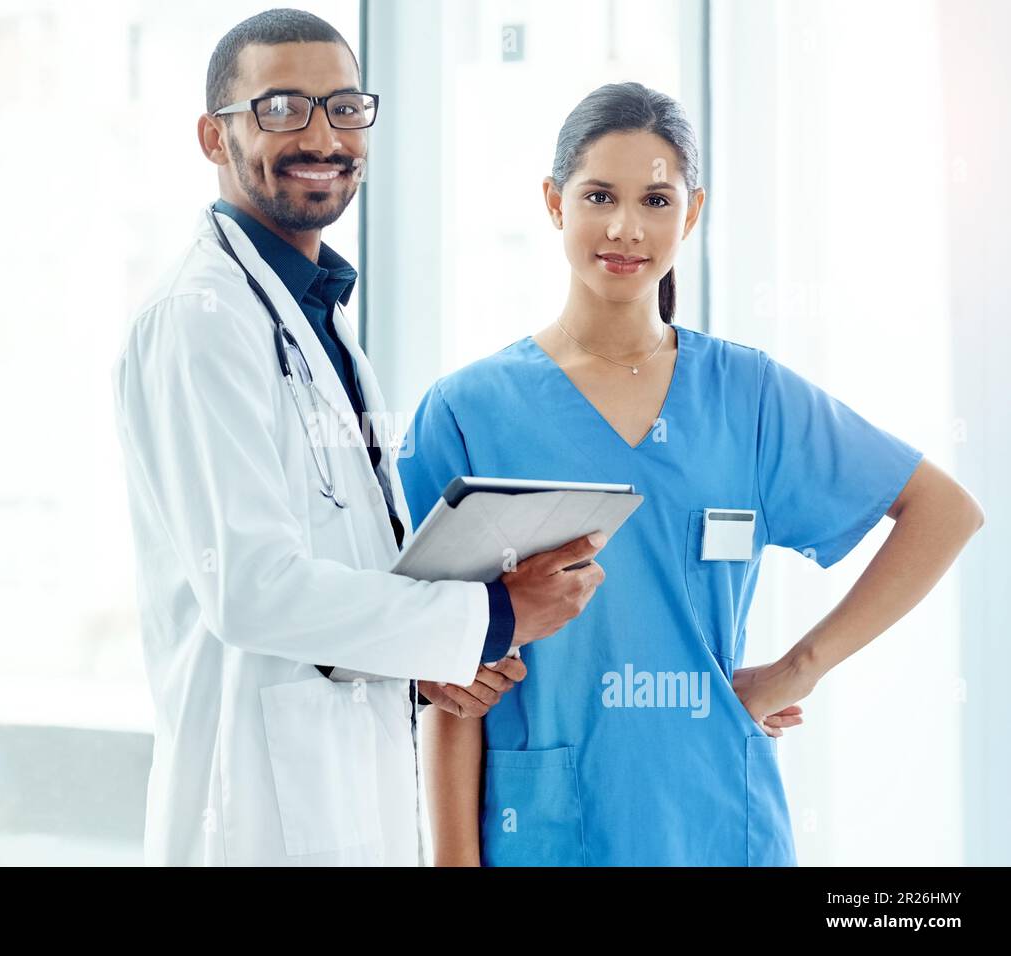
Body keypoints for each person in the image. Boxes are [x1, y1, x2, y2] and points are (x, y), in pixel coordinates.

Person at [399, 81, 985, 867]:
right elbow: (445, 677)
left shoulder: (750, 397)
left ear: (693, 213)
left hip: (722, 820)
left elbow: (945, 511)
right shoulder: (470, 410)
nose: (625, 227)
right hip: (544, 828)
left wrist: (795, 671)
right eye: (599, 194)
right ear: (552, 202)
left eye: (656, 200)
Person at [111, 8, 606, 866]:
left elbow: (339, 573)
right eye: (281, 109)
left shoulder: (314, 318)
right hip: (252, 818)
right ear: (211, 135)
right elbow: (254, 589)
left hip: (343, 798)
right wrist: (489, 616)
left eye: (343, 108)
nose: (321, 136)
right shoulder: (200, 322)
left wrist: (426, 657)